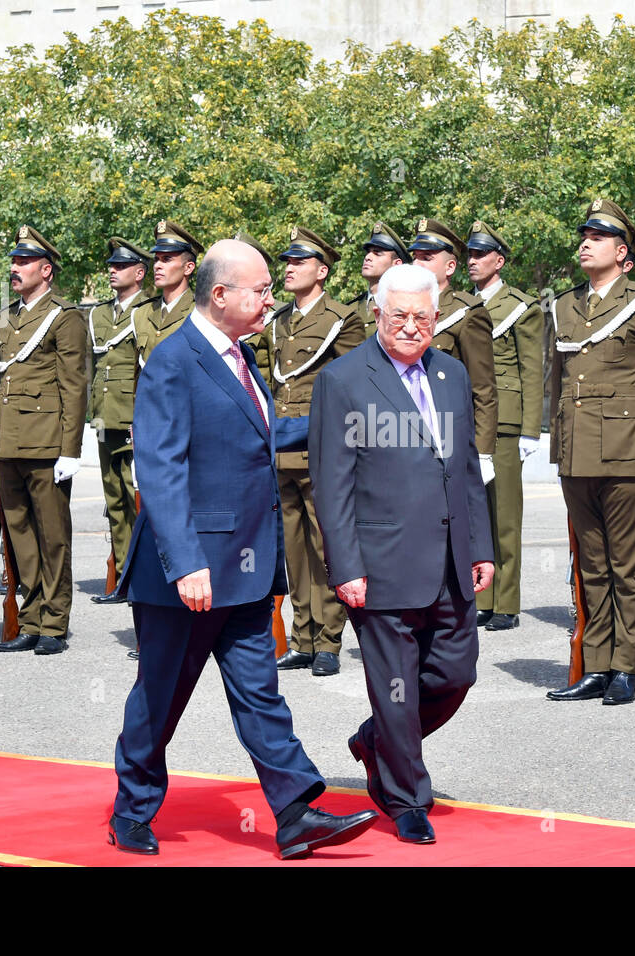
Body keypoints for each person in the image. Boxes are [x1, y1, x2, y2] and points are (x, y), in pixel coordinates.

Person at [109, 239, 377, 859]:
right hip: (191, 572)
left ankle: (294, 812)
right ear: (221, 294)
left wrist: (329, 420)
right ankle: (132, 811)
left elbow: (258, 434)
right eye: (260, 288)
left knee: (260, 693)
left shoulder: (239, 356)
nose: (270, 297)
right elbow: (160, 467)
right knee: (160, 695)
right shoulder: (175, 359)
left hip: (247, 568)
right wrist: (187, 561)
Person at [309, 263, 494, 845]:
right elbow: (330, 483)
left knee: (454, 674)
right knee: (395, 685)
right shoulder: (343, 380)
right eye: (400, 316)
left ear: (436, 319)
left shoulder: (452, 375)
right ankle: (406, 798)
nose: (411, 327)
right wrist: (346, 567)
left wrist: (479, 546)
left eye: (422, 316)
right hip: (381, 563)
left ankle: (375, 742)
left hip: (447, 561)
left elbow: (464, 468)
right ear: (377, 314)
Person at [545, 199, 635, 704]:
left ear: (622, 253)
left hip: (627, 451)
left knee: (629, 565)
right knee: (591, 564)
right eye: (583, 236)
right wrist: (553, 442)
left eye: (596, 238)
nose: (584, 244)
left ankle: (626, 666)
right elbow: (557, 381)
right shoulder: (563, 305)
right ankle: (595, 666)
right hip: (576, 451)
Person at [261, 226, 365, 677]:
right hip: (281, 448)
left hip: (322, 448)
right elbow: (266, 382)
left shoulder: (342, 320)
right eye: (287, 261)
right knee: (294, 549)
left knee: (327, 548)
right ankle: (302, 636)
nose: (288, 268)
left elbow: (354, 386)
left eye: (298, 262)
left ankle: (328, 640)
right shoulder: (277, 320)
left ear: (322, 271)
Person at [0, 225, 87, 655]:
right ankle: (30, 616)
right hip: (9, 442)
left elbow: (74, 385)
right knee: (19, 533)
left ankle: (55, 624)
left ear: (46, 270)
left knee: (52, 535)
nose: (15, 268)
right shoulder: (5, 317)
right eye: (13, 261)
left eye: (23, 262)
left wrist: (70, 450)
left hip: (46, 443)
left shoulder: (65, 317)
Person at [465, 220, 543, 631]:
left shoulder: (521, 306)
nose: (473, 261)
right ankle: (483, 598)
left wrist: (531, 429)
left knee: (505, 514)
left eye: (481, 254)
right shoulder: (463, 304)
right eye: (470, 255)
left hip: (507, 420)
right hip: (470, 416)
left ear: (500, 260)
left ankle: (507, 602)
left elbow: (532, 370)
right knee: (475, 513)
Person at [88, 237, 151, 605]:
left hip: (131, 418)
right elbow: (96, 368)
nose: (112, 270)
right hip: (103, 417)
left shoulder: (147, 311)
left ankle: (142, 578)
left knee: (136, 499)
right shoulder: (99, 314)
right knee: (114, 499)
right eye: (111, 266)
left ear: (139, 273)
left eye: (121, 266)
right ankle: (124, 576)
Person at [408, 219, 498, 475]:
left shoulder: (467, 313)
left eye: (426, 257)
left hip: (448, 436)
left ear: (450, 267)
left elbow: (483, 388)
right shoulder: (403, 310)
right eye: (414, 257)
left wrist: (482, 452)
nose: (416, 264)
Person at [137, 220, 203, 367]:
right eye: (156, 260)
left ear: (188, 268)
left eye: (166, 259)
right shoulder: (141, 313)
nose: (157, 266)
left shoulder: (201, 313)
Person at [347, 222, 409, 339]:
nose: (368, 257)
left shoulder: (406, 306)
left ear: (396, 264)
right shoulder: (350, 308)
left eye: (377, 253)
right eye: (368, 252)